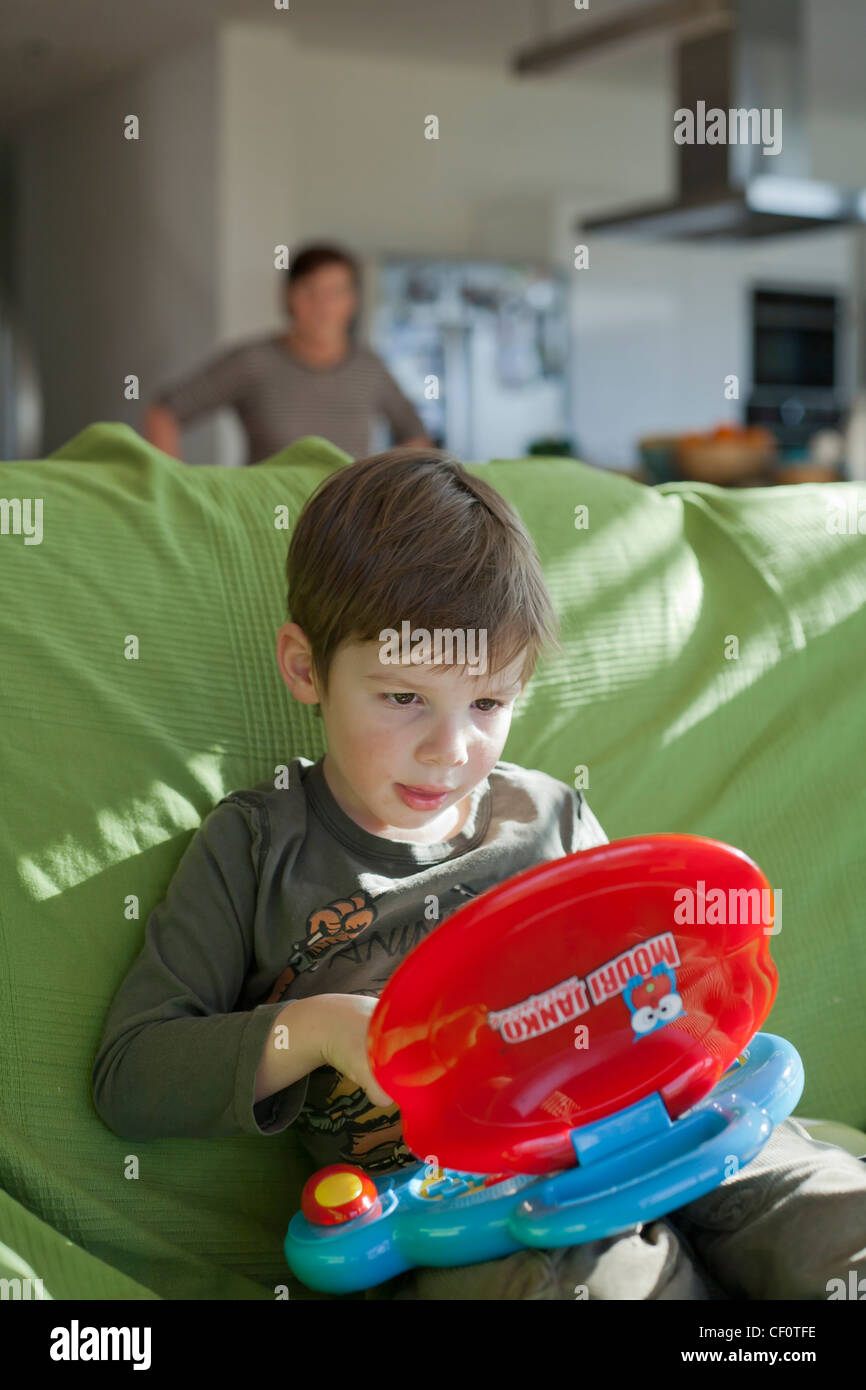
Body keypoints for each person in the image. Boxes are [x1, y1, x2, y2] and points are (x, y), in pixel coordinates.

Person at [91, 447, 866, 1301]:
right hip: (463, 1209)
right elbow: (131, 1073)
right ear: (307, 667)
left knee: (811, 1195)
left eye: (488, 704)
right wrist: (317, 1029)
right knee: (588, 1281)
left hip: (647, 1124)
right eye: (402, 698)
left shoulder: (551, 820)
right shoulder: (256, 847)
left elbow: (652, 987)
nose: (450, 750)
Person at [143, 243, 431, 464]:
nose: (323, 305)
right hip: (262, 518)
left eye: (335, 292)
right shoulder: (253, 362)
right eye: (310, 291)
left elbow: (415, 436)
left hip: (346, 529)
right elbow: (165, 413)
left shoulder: (369, 367)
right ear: (288, 296)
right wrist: (173, 488)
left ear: (352, 301)